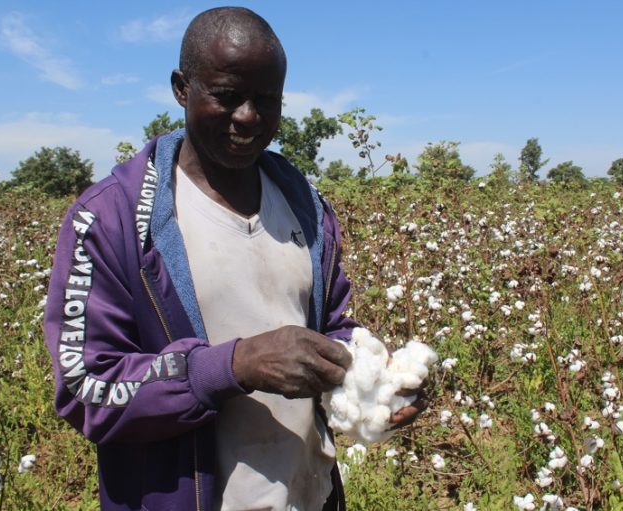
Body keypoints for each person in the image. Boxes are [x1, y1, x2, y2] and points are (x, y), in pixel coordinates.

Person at [44, 7, 425, 511]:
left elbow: (331, 326)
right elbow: (86, 388)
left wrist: (377, 383)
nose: (248, 116)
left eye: (267, 100)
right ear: (183, 88)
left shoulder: (303, 206)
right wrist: (234, 365)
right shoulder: (110, 219)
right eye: (226, 96)